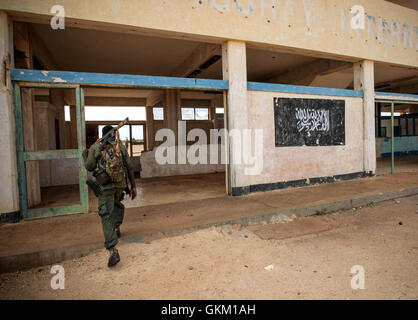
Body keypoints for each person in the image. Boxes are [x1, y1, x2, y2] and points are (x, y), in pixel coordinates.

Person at [83, 125, 137, 268]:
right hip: (120, 184)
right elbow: (130, 167)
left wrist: (85, 155)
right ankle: (117, 228)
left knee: (106, 214)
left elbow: (89, 166)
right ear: (113, 135)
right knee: (117, 203)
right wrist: (133, 187)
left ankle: (113, 250)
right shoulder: (120, 147)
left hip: (106, 186)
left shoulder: (96, 147)